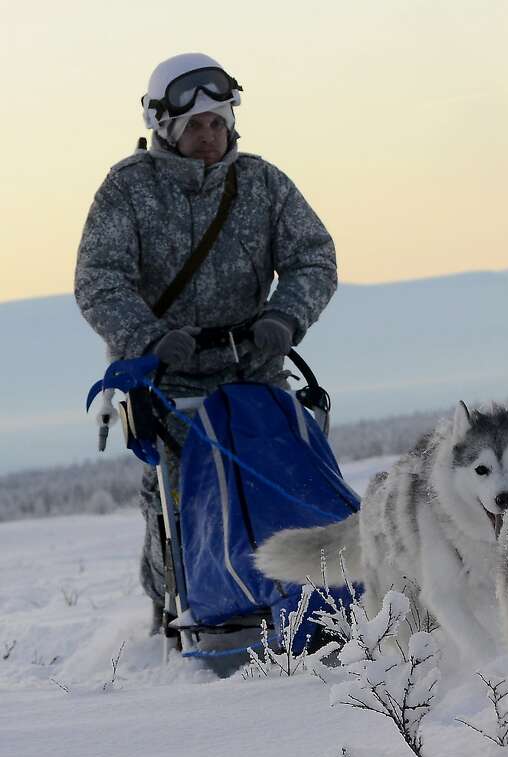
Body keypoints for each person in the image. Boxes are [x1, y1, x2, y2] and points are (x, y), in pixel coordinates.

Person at [74, 53, 338, 633]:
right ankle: (176, 604)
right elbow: (99, 278)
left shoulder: (263, 184)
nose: (208, 135)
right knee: (178, 499)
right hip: (169, 383)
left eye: (217, 122)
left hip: (256, 373)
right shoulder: (128, 190)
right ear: (164, 125)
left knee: (285, 480)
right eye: (194, 124)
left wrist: (285, 316)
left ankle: (303, 597)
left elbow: (313, 256)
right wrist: (149, 337)